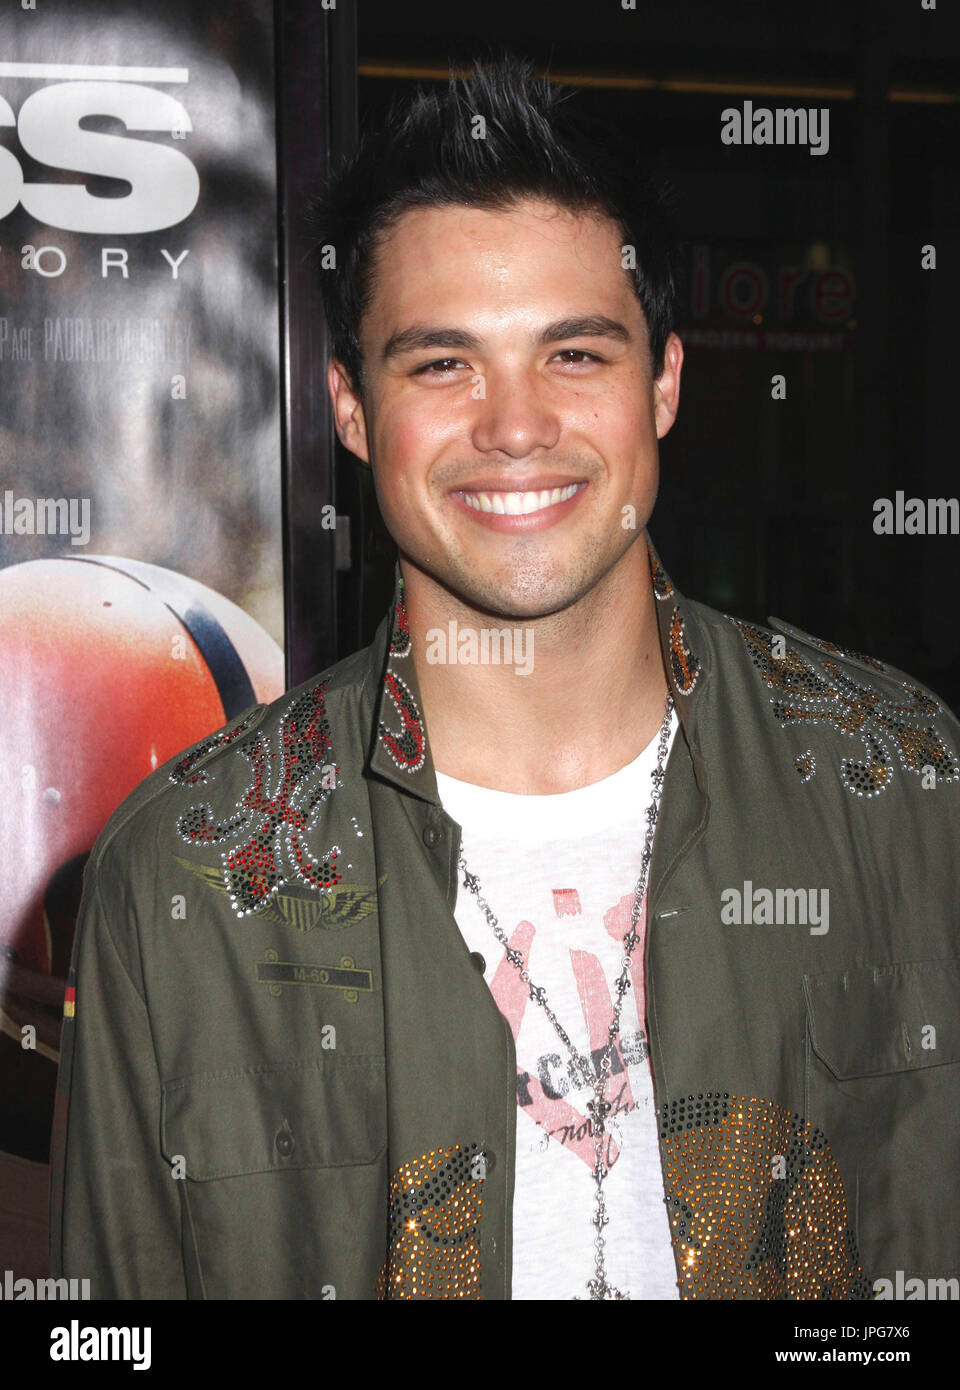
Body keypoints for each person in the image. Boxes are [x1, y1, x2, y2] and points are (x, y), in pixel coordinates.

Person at [50, 55, 960, 1301]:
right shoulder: (189, 875)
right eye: (443, 365)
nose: (516, 424)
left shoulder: (903, 789)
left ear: (666, 382)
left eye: (576, 355)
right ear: (353, 410)